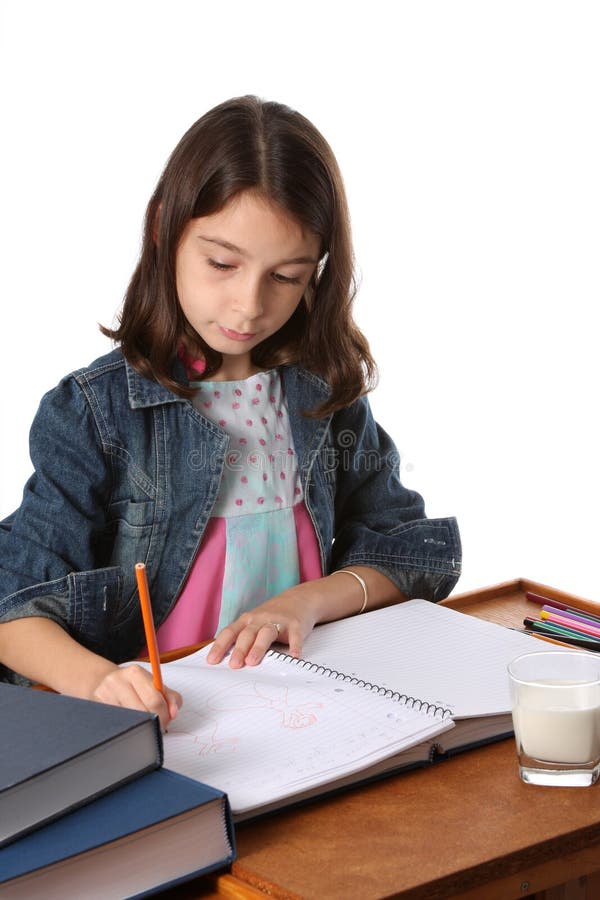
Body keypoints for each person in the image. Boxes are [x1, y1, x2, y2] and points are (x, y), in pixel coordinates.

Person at [0, 95, 461, 729]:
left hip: (310, 712)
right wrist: (102, 683)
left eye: (287, 276)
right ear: (165, 229)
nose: (248, 306)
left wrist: (304, 602)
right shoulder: (96, 412)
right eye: (222, 264)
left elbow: (412, 553)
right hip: (172, 727)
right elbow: (12, 605)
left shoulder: (322, 393)